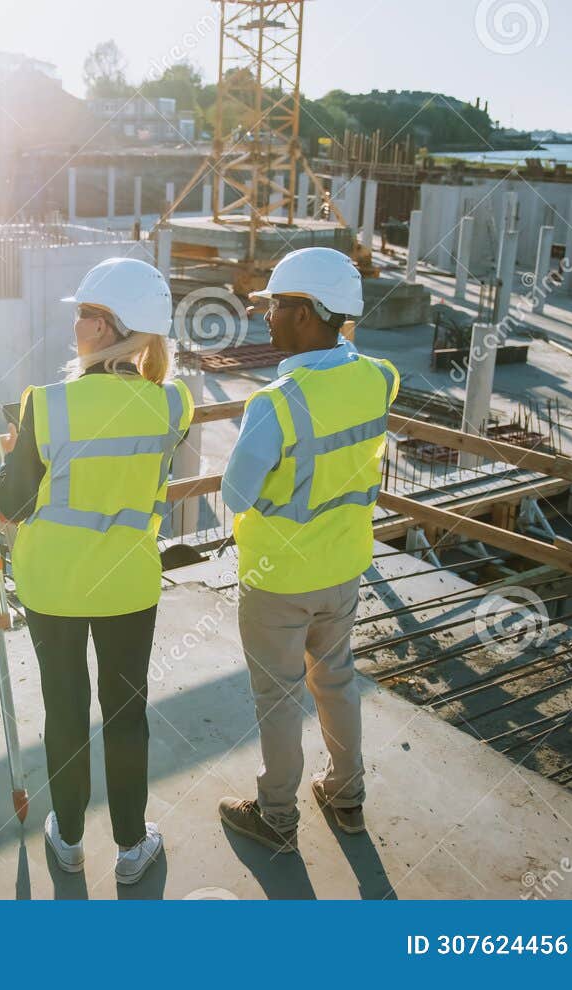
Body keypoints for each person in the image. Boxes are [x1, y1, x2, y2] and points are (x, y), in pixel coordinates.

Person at [0, 257, 192, 885]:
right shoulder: (173, 405)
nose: (74, 324)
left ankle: (71, 838)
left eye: (82, 314)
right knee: (126, 712)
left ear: (105, 328)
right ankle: (133, 846)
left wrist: (20, 447)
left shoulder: (45, 406)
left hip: (52, 587)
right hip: (129, 585)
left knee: (65, 707)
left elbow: (13, 504)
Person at [216, 246, 399, 851]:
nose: (265, 317)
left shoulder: (274, 404)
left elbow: (238, 491)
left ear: (305, 313)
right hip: (345, 569)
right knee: (338, 681)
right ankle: (347, 795)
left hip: (278, 581)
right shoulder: (380, 378)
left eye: (274, 306)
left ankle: (276, 818)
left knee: (278, 697)